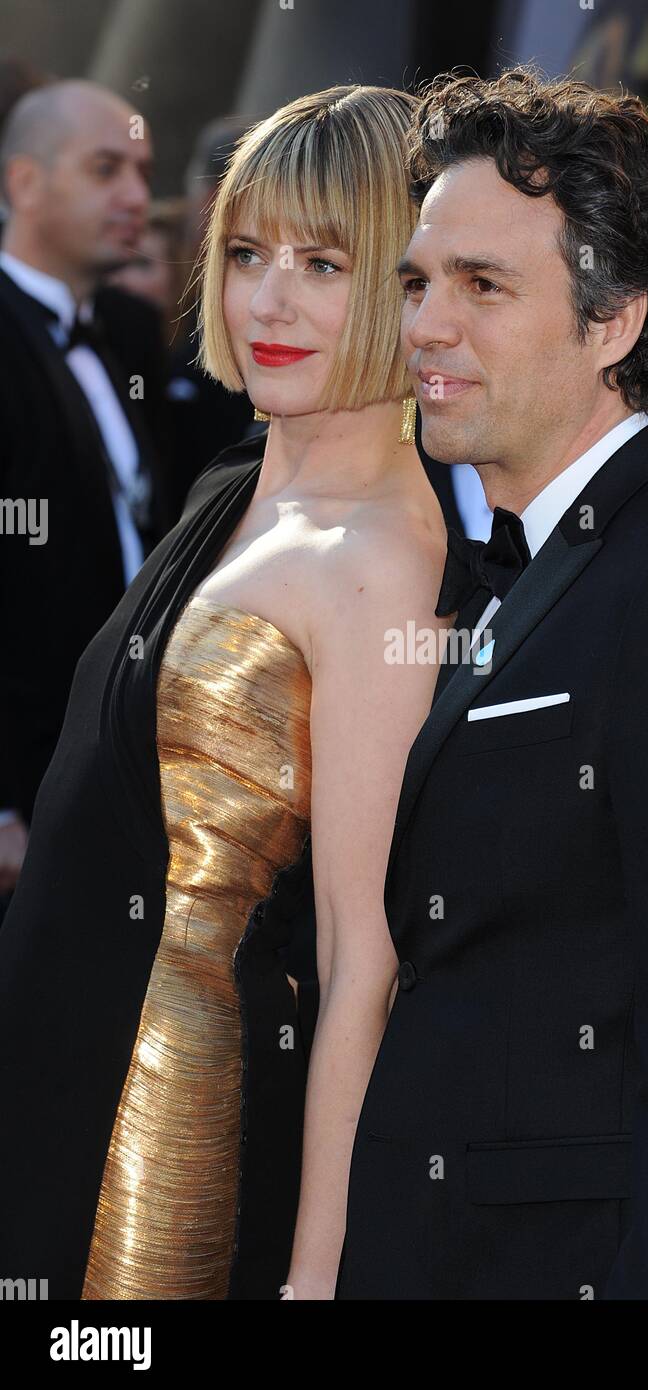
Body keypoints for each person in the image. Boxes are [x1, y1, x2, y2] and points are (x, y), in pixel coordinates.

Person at [335, 69, 648, 1300]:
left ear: (613, 319)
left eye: (482, 286)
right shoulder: (542, 565)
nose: (425, 326)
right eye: (416, 282)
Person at [0, 83, 449, 1301]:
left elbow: (365, 953)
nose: (267, 299)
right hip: (59, 1046)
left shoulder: (383, 560)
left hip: (162, 1101)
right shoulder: (237, 476)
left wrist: (315, 1274)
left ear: (405, 285)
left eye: (320, 259)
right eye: (246, 253)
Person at [0, 79, 170, 906]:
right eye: (107, 169)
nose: (137, 196)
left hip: (129, 772)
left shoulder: (132, 333)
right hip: (26, 791)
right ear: (24, 183)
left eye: (142, 170)